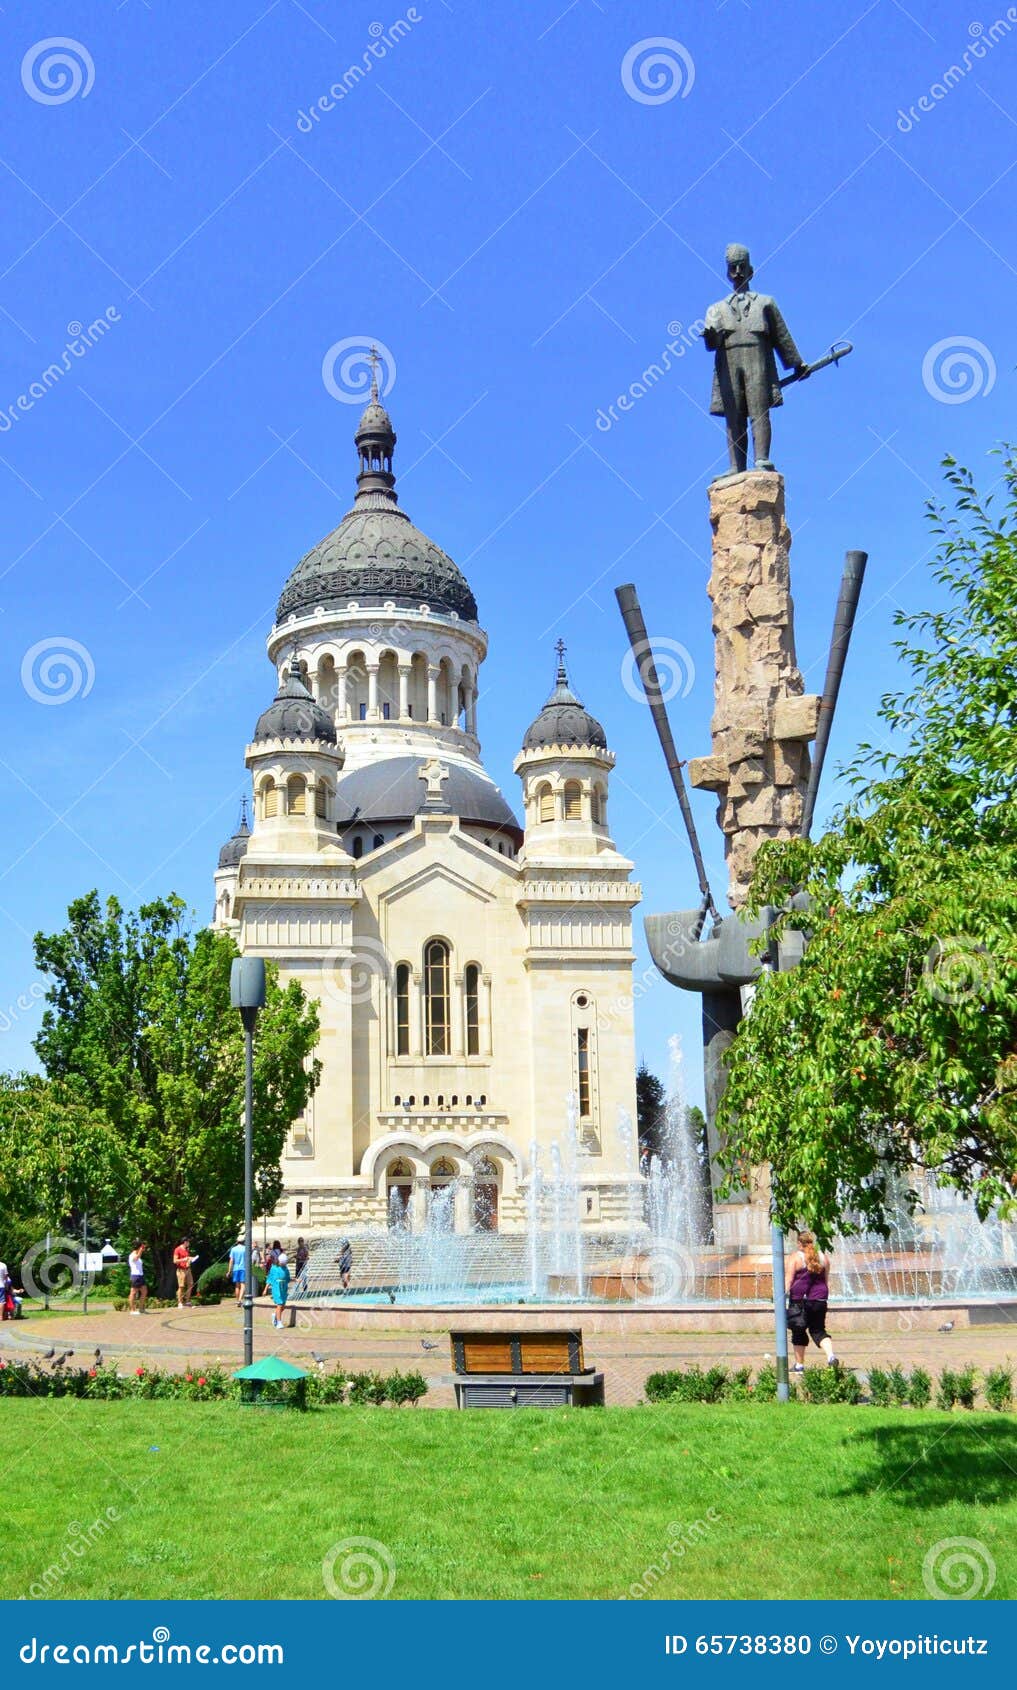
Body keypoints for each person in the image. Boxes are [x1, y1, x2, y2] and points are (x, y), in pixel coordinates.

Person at [704, 243, 807, 474]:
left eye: (742, 267)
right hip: (729, 362)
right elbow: (711, 345)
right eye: (733, 268)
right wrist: (710, 335)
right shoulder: (716, 309)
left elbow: (782, 335)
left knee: (759, 409)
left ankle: (761, 458)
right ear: (727, 272)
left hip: (757, 359)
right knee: (734, 415)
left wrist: (797, 363)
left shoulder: (765, 303)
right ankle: (736, 466)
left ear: (751, 270)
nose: (738, 272)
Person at [785, 1229, 836, 1370]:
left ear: (799, 1243)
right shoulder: (823, 1257)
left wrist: (780, 1298)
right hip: (820, 1300)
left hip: (800, 1301)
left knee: (798, 1331)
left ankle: (799, 1365)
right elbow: (826, 1282)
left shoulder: (795, 1258)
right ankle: (831, 1356)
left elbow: (788, 1281)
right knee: (819, 1330)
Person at [266, 1252, 290, 1331]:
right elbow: (270, 1278)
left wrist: (296, 1280)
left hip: (283, 1287)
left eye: (284, 1263)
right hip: (276, 1288)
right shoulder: (274, 1268)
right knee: (279, 1304)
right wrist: (266, 1289)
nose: (283, 1265)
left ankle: (275, 1315)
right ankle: (279, 1322)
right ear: (279, 1261)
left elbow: (288, 1278)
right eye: (282, 1263)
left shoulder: (286, 1268)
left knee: (283, 1306)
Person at [173, 1237, 198, 1309]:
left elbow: (187, 1258)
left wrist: (191, 1258)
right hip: (181, 1270)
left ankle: (187, 1301)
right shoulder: (177, 1249)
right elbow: (175, 1261)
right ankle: (180, 1302)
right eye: (188, 1242)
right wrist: (184, 1259)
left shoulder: (186, 1249)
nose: (189, 1243)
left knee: (190, 1284)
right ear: (185, 1242)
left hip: (188, 1269)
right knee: (181, 1286)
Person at [127, 1241, 148, 1315]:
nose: (144, 1248)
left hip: (140, 1275)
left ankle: (141, 1308)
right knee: (133, 1293)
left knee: (144, 1292)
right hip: (135, 1276)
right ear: (139, 1247)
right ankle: (132, 1310)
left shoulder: (138, 1255)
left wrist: (140, 1251)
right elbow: (136, 1258)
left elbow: (138, 1258)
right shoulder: (132, 1255)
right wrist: (140, 1251)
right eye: (142, 1247)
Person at [227, 1237, 246, 1305]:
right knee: (243, 1284)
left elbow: (231, 1260)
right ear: (243, 1241)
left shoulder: (233, 1249)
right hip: (243, 1268)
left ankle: (237, 1300)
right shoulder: (245, 1248)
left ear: (237, 1241)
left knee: (237, 1285)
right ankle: (240, 1300)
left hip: (235, 1268)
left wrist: (229, 1271)